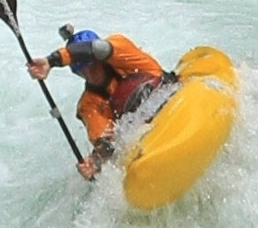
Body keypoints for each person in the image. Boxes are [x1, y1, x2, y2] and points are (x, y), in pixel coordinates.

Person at [31, 25, 172, 180]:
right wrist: (95, 162)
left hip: (171, 97)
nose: (89, 74)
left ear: (100, 59)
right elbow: (105, 143)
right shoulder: (89, 104)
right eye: (82, 71)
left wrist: (51, 61)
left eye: (91, 65)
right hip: (146, 132)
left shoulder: (120, 48)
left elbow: (97, 48)